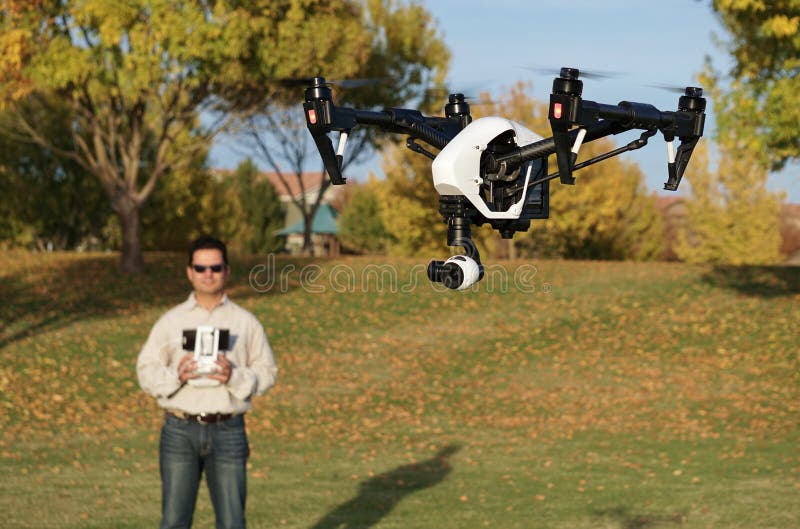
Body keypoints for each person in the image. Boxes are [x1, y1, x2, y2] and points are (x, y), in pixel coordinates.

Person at [137, 236, 278, 529]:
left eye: (215, 267)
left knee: (232, 522)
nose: (208, 274)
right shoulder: (170, 321)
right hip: (179, 430)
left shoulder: (245, 322)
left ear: (226, 271)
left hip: (228, 430)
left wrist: (234, 377)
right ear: (189, 272)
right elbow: (145, 370)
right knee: (174, 521)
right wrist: (176, 376)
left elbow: (267, 372)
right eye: (200, 268)